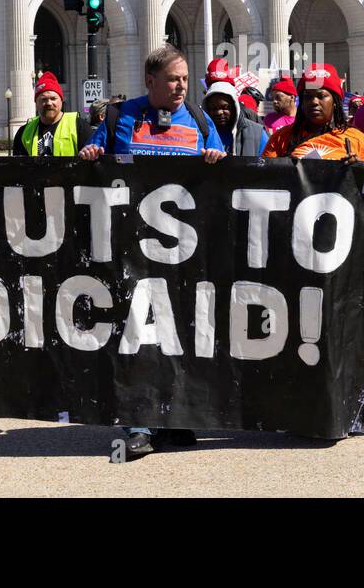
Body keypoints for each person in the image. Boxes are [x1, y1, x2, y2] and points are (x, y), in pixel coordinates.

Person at [78, 44, 225, 460]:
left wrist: (217, 158)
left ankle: (176, 419)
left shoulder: (198, 119)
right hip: (129, 253)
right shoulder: (118, 117)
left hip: (185, 254)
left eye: (184, 79)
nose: (180, 87)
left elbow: (224, 173)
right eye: (172, 80)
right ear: (150, 82)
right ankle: (138, 424)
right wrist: (90, 155)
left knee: (179, 335)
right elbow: (90, 168)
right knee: (137, 336)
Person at [262, 63, 364, 162]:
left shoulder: (358, 140)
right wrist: (286, 166)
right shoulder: (280, 138)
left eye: (321, 96)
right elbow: (264, 180)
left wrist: (358, 171)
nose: (314, 102)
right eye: (308, 96)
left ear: (335, 101)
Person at [12, 71, 91, 157]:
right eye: (43, 99)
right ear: (36, 103)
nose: (49, 103)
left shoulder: (79, 126)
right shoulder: (24, 132)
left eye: (53, 98)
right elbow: (18, 167)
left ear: (61, 101)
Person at [203, 80, 267, 156]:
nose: (219, 112)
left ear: (235, 107)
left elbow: (268, 164)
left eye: (225, 107)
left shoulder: (258, 133)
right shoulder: (201, 132)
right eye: (213, 108)